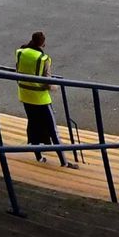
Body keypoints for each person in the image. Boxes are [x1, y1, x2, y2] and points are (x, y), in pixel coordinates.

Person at [15, 31, 76, 167]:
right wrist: (56, 86)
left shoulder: (20, 52)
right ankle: (64, 162)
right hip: (41, 99)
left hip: (25, 95)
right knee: (53, 130)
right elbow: (48, 83)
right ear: (43, 44)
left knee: (33, 125)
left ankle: (39, 157)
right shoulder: (43, 59)